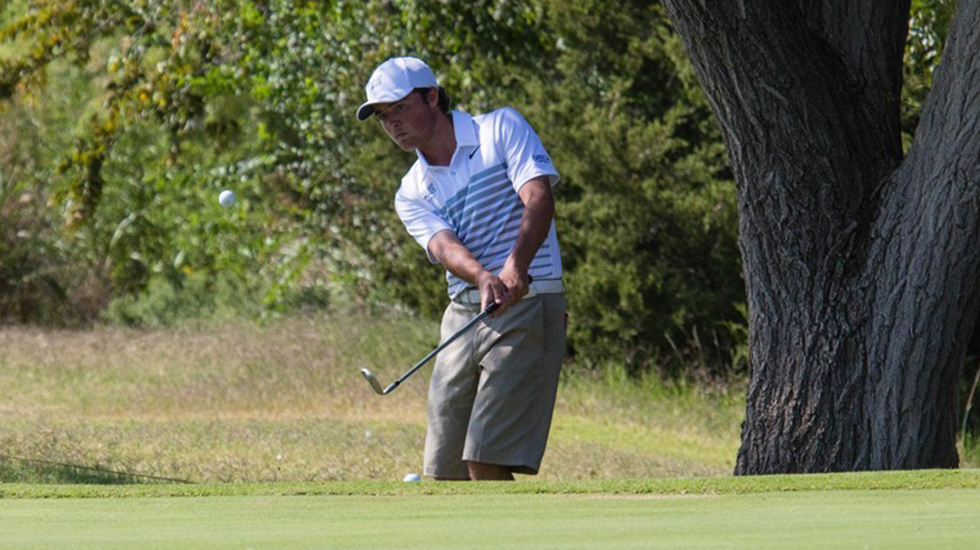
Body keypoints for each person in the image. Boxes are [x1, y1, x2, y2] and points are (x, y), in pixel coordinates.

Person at [356, 56, 566, 481]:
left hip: (528, 303)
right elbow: (443, 245)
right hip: (463, 314)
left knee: (485, 459)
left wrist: (513, 268)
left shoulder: (499, 128)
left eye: (398, 108)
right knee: (443, 471)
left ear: (432, 97)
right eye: (382, 117)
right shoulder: (411, 191)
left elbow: (539, 198)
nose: (392, 124)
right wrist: (483, 276)